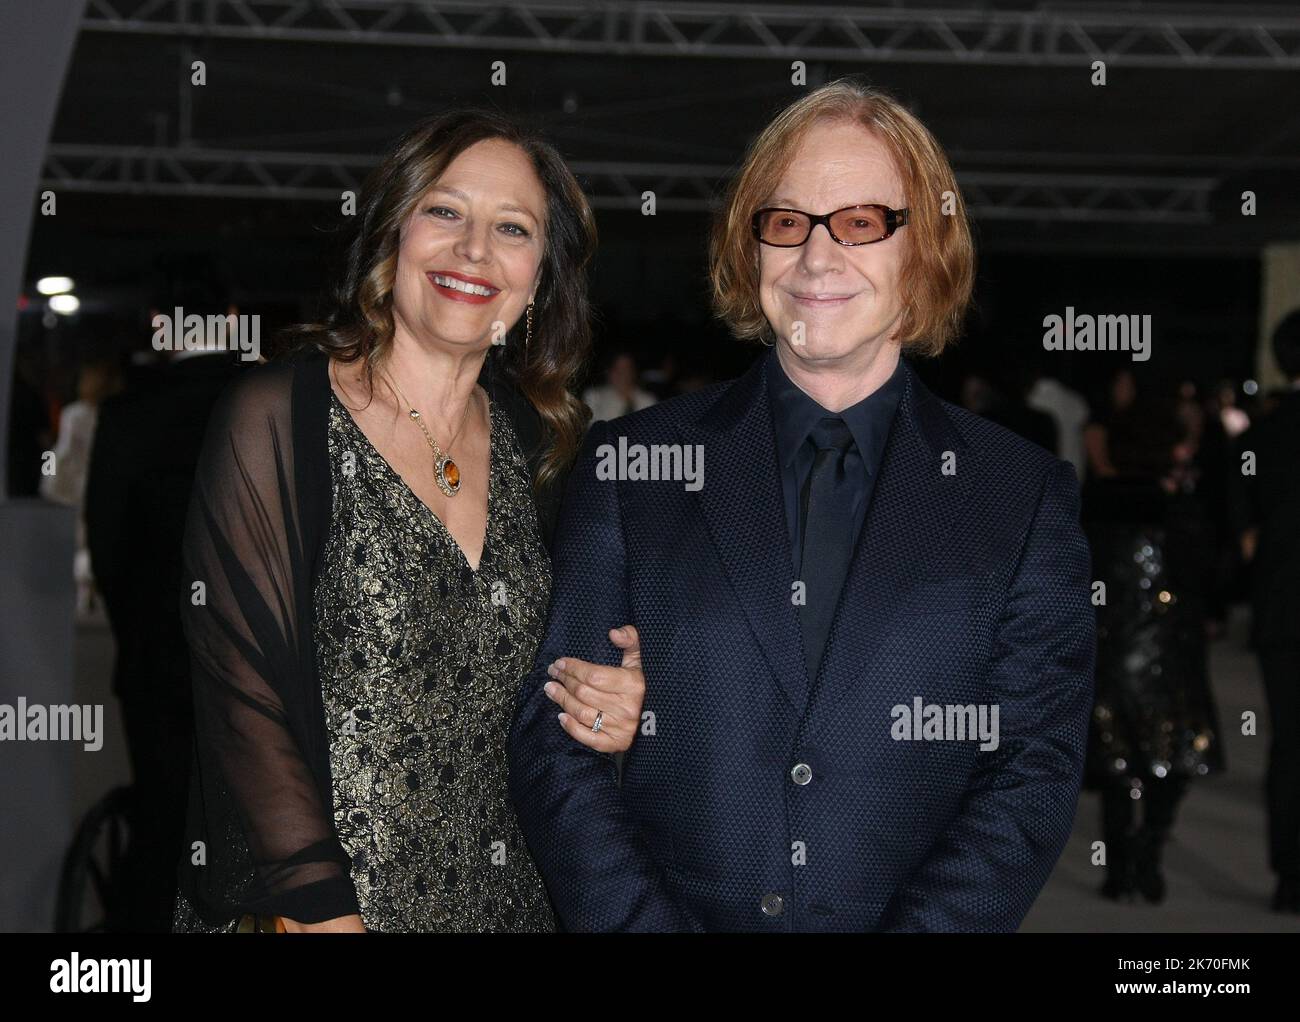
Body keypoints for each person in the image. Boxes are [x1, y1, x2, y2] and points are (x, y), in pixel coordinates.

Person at [509, 78, 1095, 932]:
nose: (819, 259)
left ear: (926, 245)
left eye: (861, 222)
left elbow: (1030, 774)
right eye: (787, 223)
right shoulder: (631, 466)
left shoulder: (1023, 496)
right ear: (752, 250)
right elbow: (557, 746)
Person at [171, 109, 643, 933]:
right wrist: (317, 910)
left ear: (538, 279)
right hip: (316, 915)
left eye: (511, 228)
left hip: (514, 909)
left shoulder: (549, 453)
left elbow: (572, 684)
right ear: (394, 231)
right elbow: (241, 687)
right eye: (445, 211)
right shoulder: (278, 417)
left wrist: (623, 701)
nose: (473, 250)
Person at [84, 261, 244, 932]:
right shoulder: (263, 402)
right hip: (253, 668)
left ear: (162, 329)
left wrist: (142, 630)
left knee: (162, 829)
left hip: (157, 660)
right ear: (230, 323)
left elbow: (109, 547)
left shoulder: (126, 416)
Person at [1081, 390, 1224, 904]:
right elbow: (1209, 577)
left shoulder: (1088, 504)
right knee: (1172, 757)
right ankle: (1148, 850)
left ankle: (1119, 865)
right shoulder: (1179, 511)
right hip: (1170, 650)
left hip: (1107, 647)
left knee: (1117, 758)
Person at [1233, 309, 1300, 912]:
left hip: (1282, 606)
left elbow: (1237, 526)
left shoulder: (1262, 438)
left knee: (1288, 743)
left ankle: (1290, 876)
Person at [583, 350, 657, 423]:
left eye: (627, 369)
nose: (622, 374)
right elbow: (590, 429)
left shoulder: (648, 400)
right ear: (609, 372)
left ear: (634, 372)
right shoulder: (594, 396)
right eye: (617, 369)